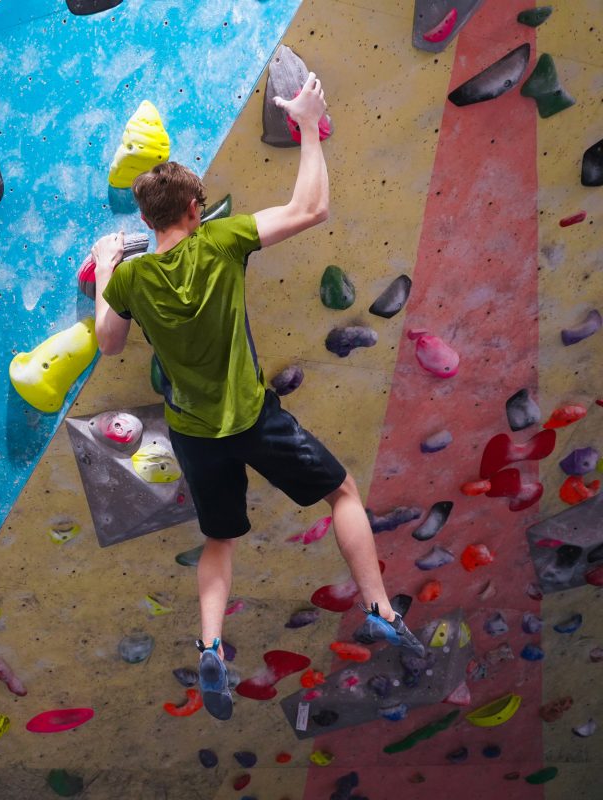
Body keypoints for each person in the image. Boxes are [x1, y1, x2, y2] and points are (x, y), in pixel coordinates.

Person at [90, 73, 425, 721]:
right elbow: (310, 208)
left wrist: (107, 265)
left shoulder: (131, 278)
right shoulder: (222, 240)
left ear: (147, 219)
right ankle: (381, 609)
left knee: (220, 541)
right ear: (194, 211)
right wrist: (305, 123)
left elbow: (108, 343)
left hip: (193, 432)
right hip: (252, 418)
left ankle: (211, 646)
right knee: (343, 492)